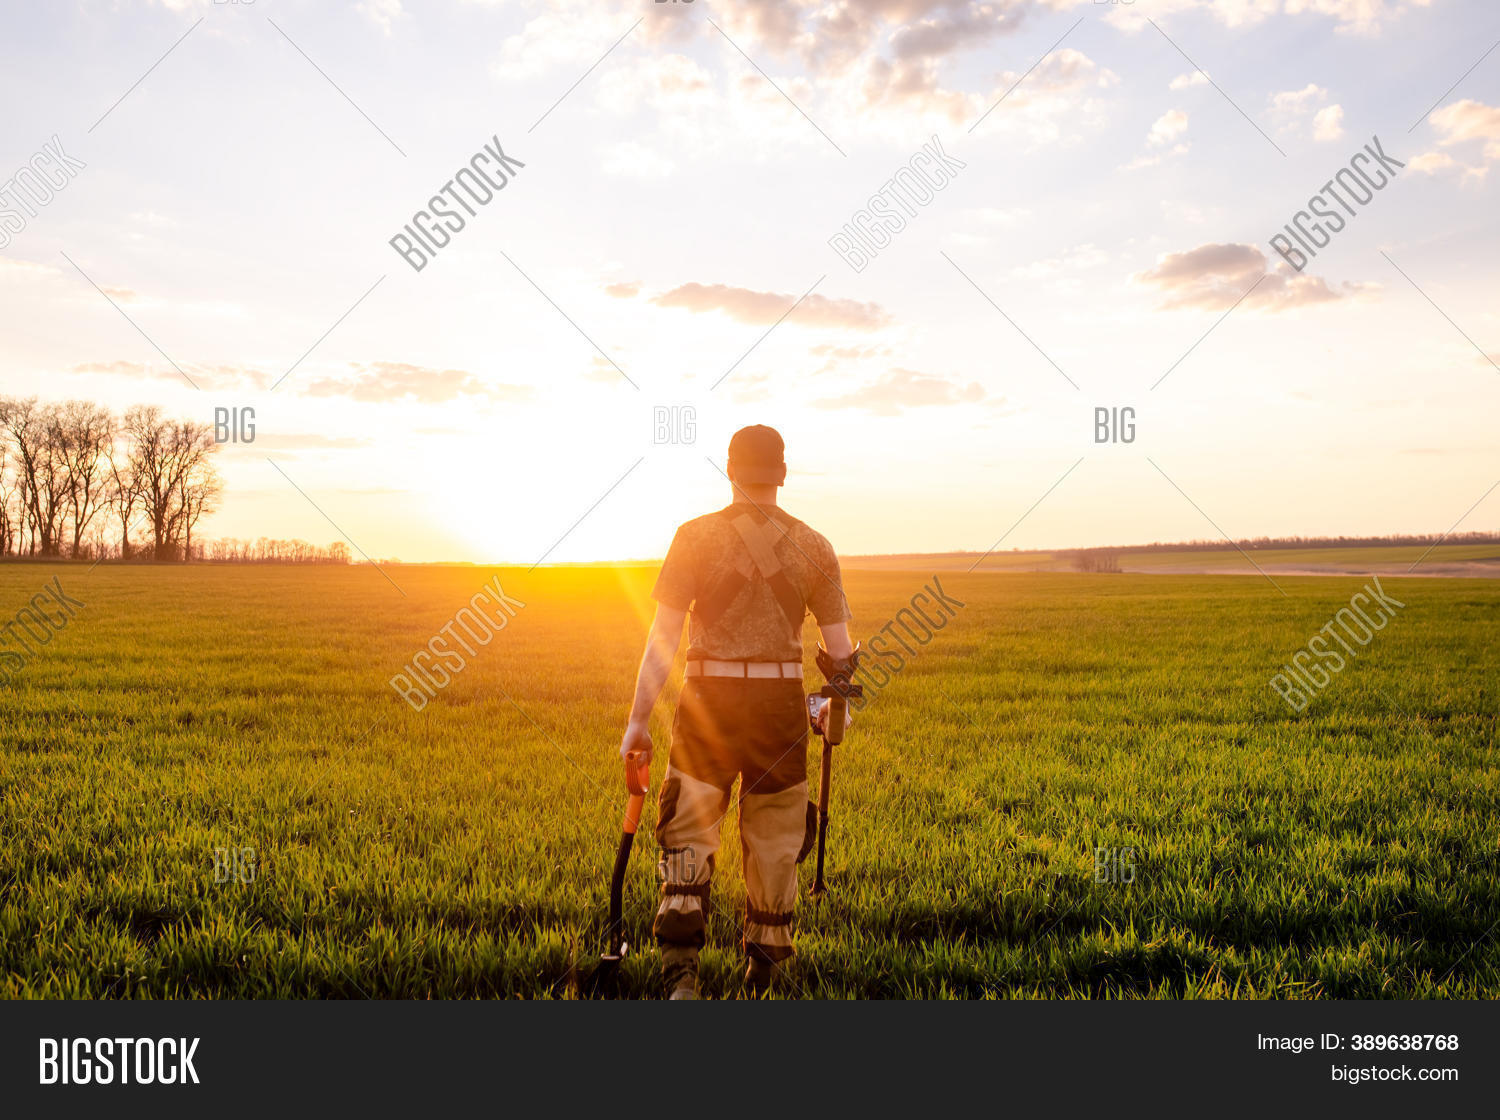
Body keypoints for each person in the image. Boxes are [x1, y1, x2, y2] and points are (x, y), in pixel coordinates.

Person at [617, 424, 855, 999]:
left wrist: (638, 719)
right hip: (779, 709)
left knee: (688, 834)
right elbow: (842, 657)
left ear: (729, 470)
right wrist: (833, 712)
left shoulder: (694, 537)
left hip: (708, 703)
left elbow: (663, 640)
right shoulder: (815, 545)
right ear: (782, 473)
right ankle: (763, 979)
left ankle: (682, 979)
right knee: (775, 843)